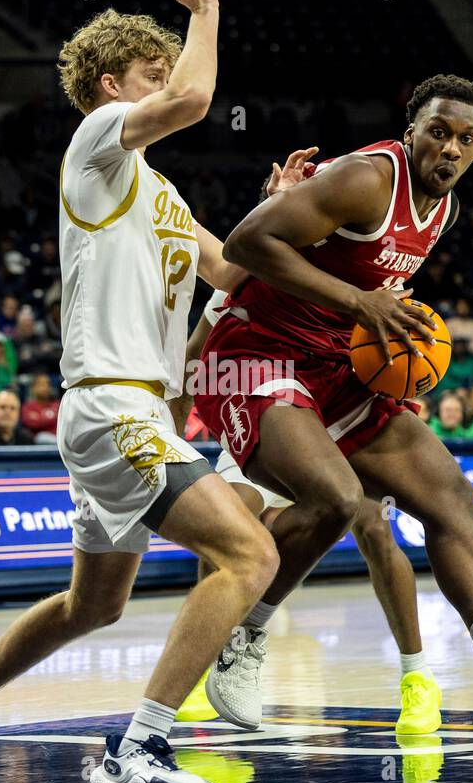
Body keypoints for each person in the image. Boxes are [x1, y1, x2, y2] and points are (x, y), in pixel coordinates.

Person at [0, 0, 280, 783]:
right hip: (115, 407)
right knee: (250, 554)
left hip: (130, 409)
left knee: (94, 604)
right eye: (154, 70)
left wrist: (275, 207)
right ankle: (139, 749)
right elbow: (190, 102)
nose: (170, 82)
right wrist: (209, 11)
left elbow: (234, 271)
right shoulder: (99, 142)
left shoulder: (162, 190)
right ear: (113, 87)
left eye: (167, 68)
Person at [196, 72, 473, 741]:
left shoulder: (445, 210)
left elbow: (367, 293)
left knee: (451, 494)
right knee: (340, 500)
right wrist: (358, 302)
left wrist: (389, 365)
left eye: (465, 139)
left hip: (335, 366)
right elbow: (246, 246)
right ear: (411, 134)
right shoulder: (368, 179)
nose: (449, 149)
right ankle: (239, 637)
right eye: (438, 133)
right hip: (255, 354)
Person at [174, 287, 444, 734]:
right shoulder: (243, 274)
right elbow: (191, 363)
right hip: (270, 407)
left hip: (337, 407)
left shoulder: (353, 268)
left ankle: (417, 677)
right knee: (230, 517)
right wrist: (173, 436)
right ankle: (211, 663)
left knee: (375, 530)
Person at [20, 373, 60, 438]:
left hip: (58, 439)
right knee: (41, 437)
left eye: (48, 384)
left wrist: (40, 417)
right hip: (38, 444)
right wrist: (52, 418)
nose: (45, 387)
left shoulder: (57, 405)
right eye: (41, 384)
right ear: (33, 388)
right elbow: (31, 423)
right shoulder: (27, 407)